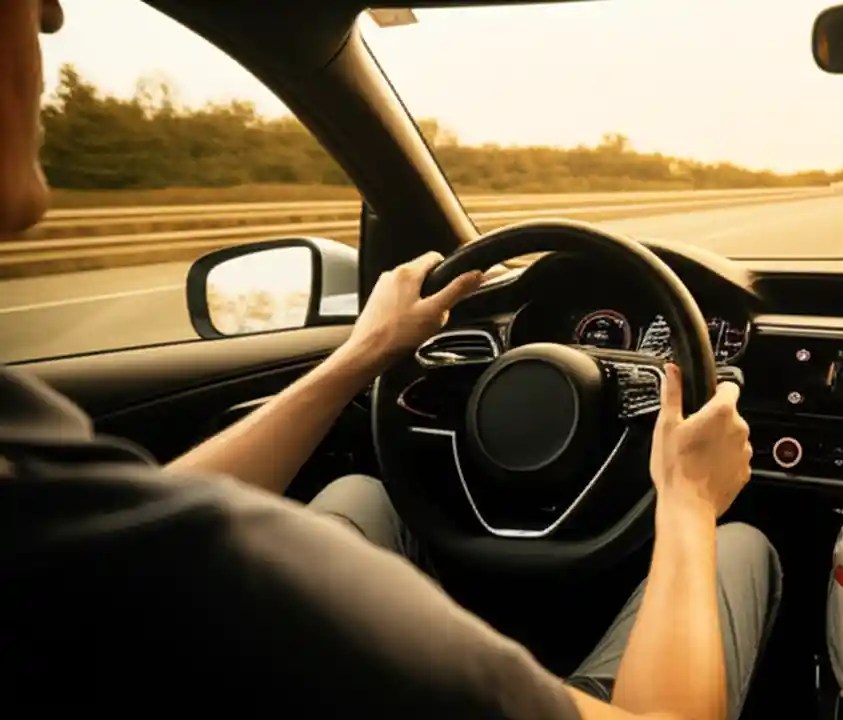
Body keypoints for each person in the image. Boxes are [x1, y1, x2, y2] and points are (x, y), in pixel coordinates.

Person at [0, 2, 781, 718]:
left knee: (357, 495)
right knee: (739, 547)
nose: (51, 13)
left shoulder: (46, 509)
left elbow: (141, 529)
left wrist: (362, 356)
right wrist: (686, 502)